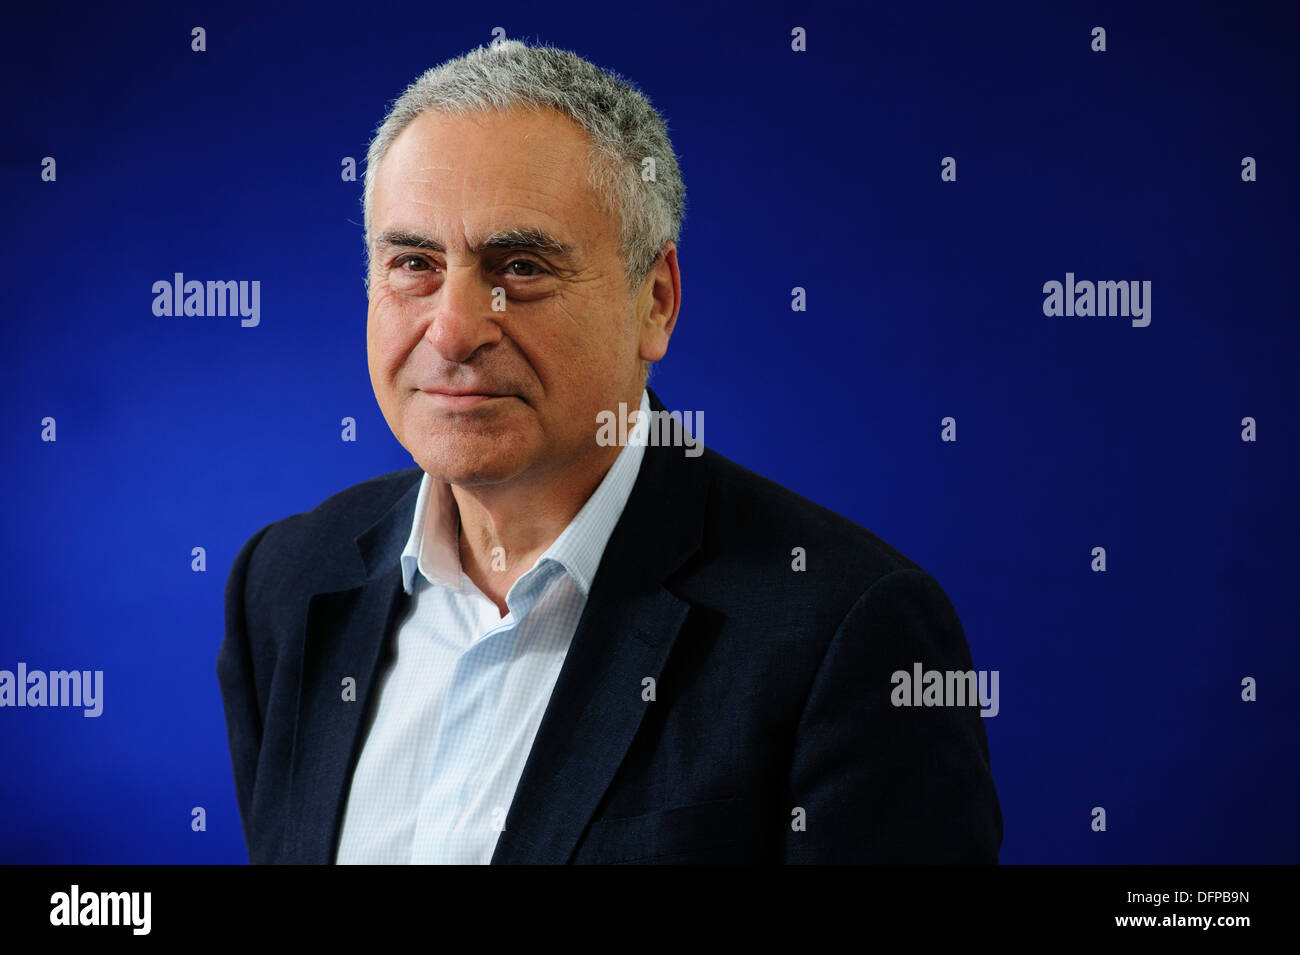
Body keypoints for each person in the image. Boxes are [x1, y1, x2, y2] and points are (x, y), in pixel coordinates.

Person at [216, 39, 1002, 864]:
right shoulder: (286, 585)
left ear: (654, 302)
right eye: (413, 262)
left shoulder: (851, 632)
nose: (450, 329)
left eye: (520, 266)